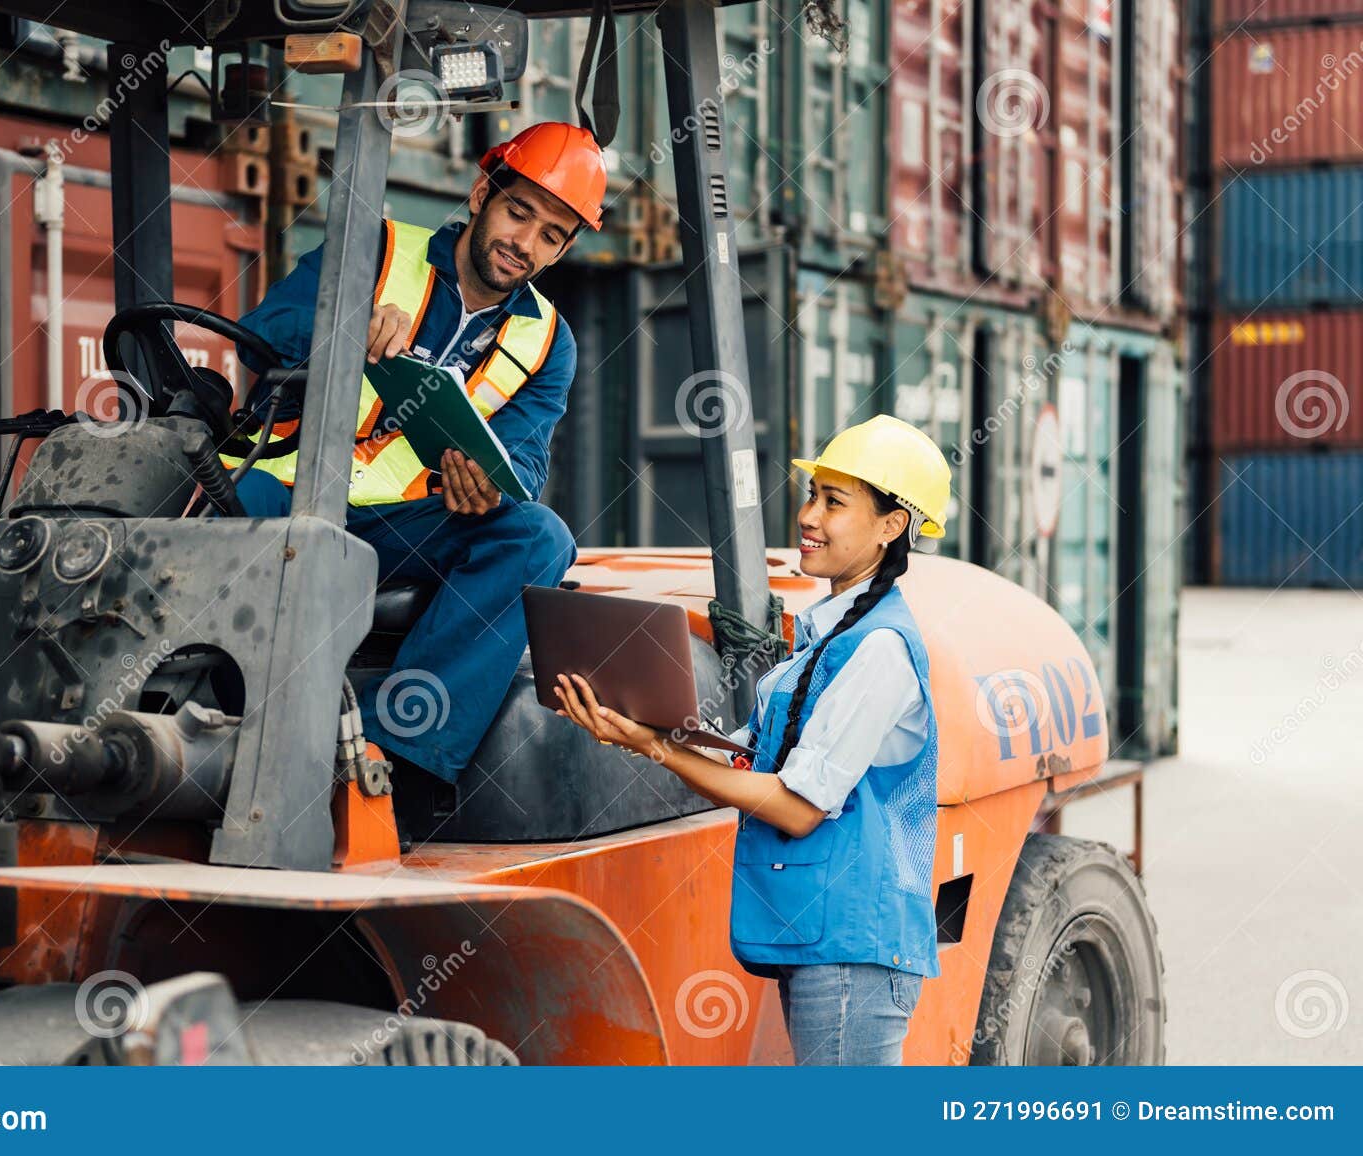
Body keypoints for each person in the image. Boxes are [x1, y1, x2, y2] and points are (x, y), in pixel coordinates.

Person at [553, 415, 951, 1065]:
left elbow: (797, 804)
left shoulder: (878, 648)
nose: (807, 516)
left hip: (854, 943)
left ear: (891, 526)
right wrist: (638, 726)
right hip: (824, 932)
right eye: (811, 494)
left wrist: (661, 750)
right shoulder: (826, 637)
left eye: (833, 501)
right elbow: (748, 757)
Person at [226, 122, 607, 785]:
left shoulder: (551, 342)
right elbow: (259, 338)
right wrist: (346, 326)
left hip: (397, 529)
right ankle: (223, 723)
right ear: (480, 191)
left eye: (551, 235)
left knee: (538, 537)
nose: (525, 244)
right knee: (239, 505)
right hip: (289, 489)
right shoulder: (374, 251)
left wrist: (487, 487)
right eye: (518, 213)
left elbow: (524, 466)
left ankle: (386, 745)